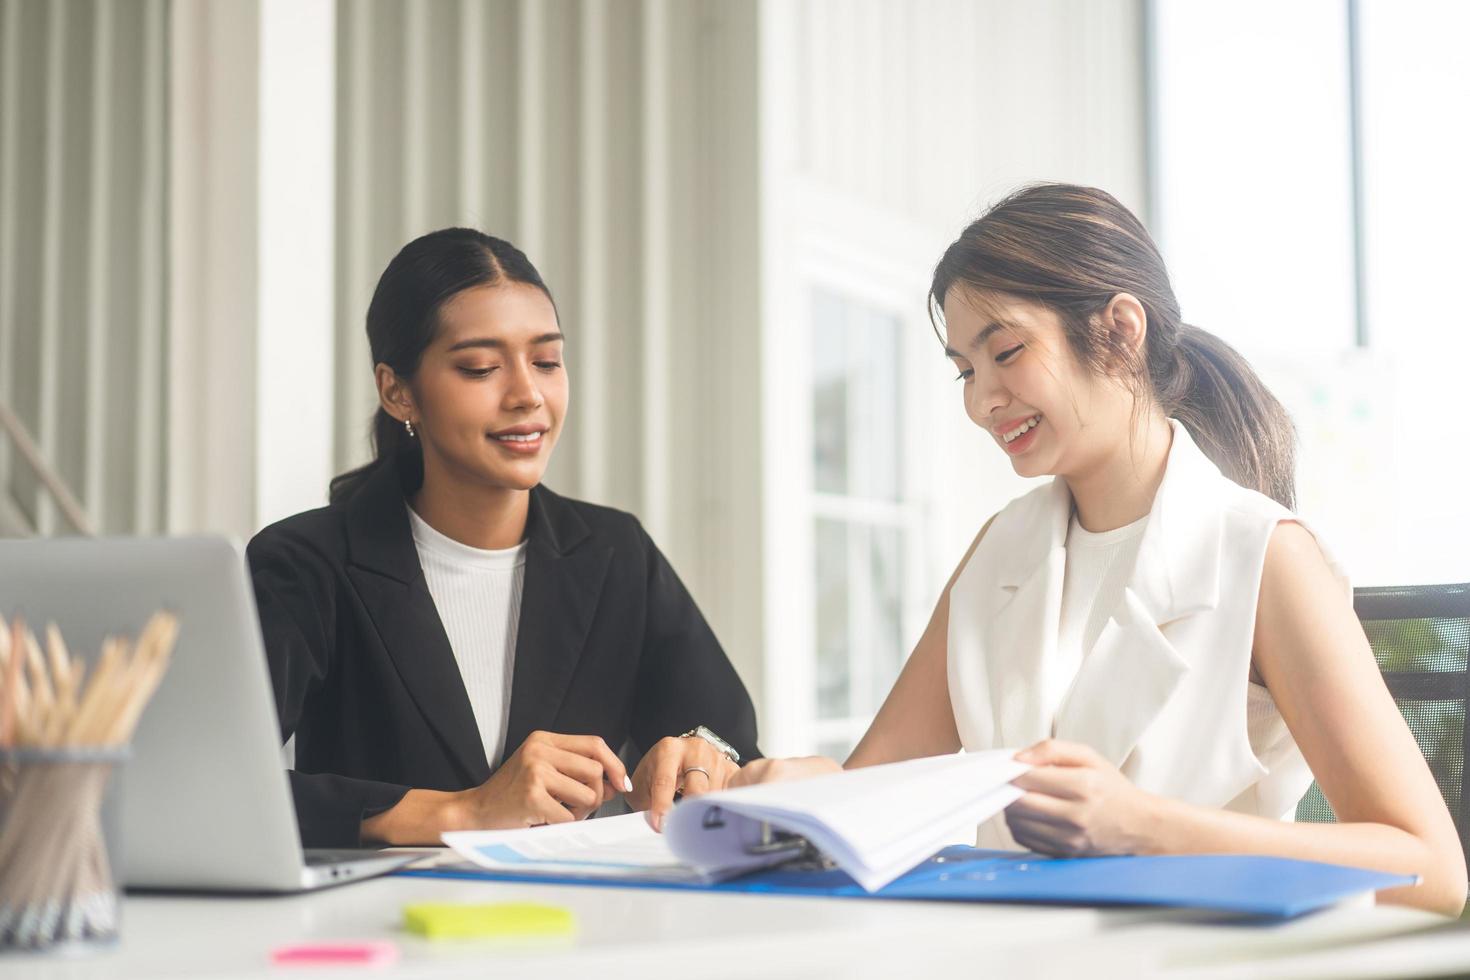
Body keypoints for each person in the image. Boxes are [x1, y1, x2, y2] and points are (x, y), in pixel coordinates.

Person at [732, 184, 1466, 915]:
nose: (980, 400)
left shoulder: (1267, 557)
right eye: (964, 370)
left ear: (1119, 329)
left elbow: (1430, 869)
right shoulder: (1000, 549)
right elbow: (875, 787)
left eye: (1007, 352)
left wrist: (1145, 826)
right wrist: (794, 786)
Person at [248, 228, 757, 848]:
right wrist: (463, 812)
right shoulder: (307, 565)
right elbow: (211, 786)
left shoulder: (615, 553)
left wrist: (702, 759)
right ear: (397, 391)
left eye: (546, 361)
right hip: (382, 931)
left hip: (573, 931)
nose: (527, 395)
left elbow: (729, 742)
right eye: (480, 368)